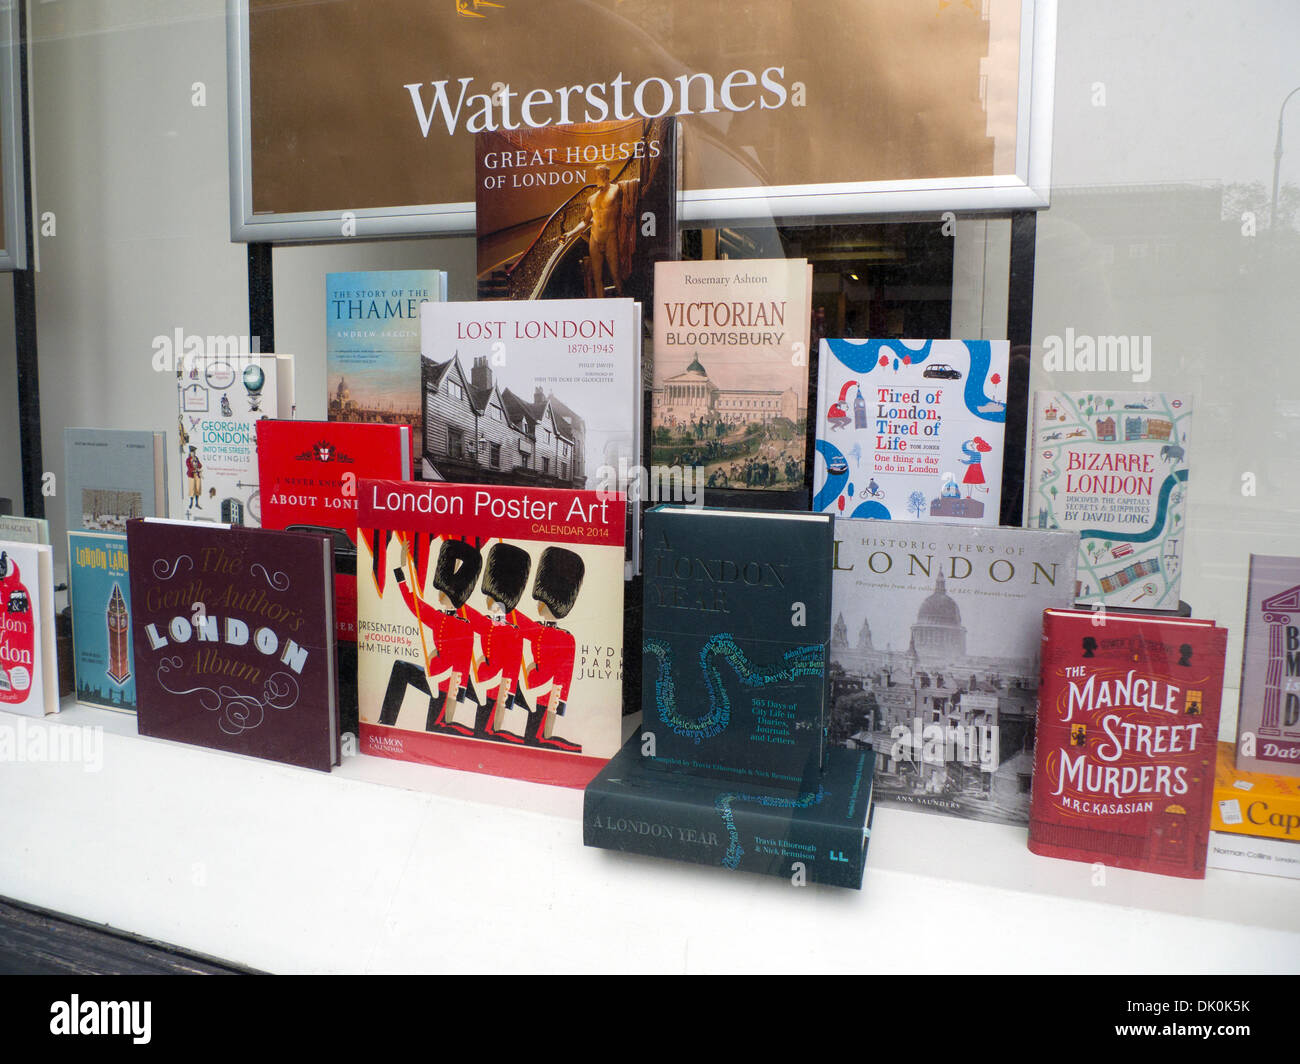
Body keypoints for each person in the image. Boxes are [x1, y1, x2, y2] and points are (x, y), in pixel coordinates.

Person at [565, 163, 638, 298]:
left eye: (603, 173)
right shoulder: (591, 199)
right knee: (597, 277)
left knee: (615, 274)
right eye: (598, 174)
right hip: (594, 237)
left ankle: (623, 302)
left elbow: (631, 192)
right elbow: (585, 221)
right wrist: (570, 233)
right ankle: (601, 308)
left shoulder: (616, 190)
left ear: (608, 175)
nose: (600, 176)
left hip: (610, 236)